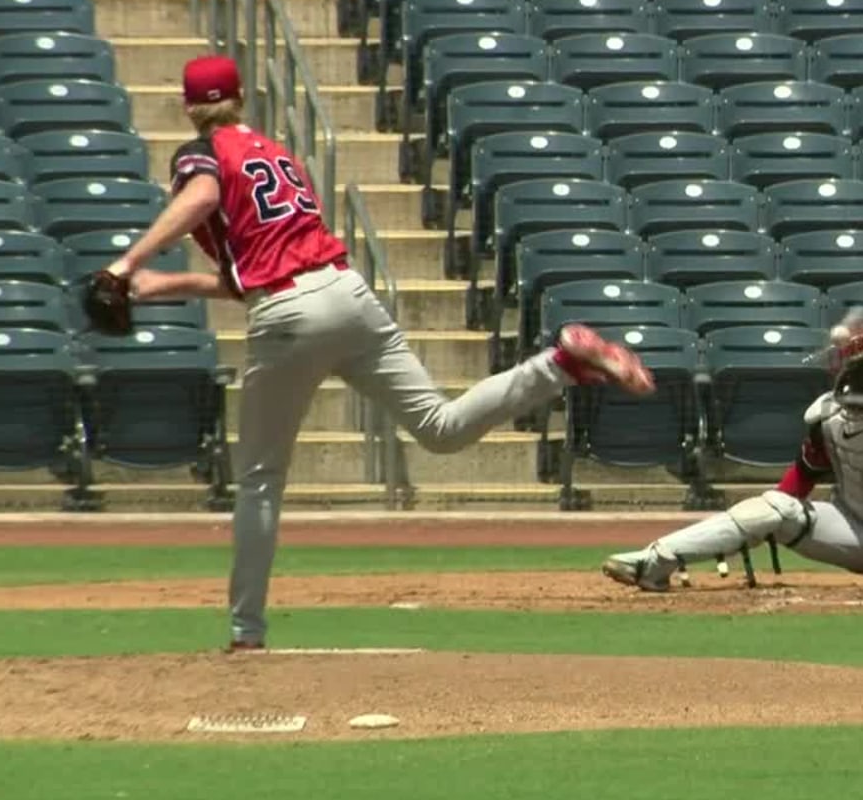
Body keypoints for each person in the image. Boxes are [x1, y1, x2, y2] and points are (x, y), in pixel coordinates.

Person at [103, 56, 658, 649]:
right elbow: (261, 270)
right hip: (346, 292)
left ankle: (246, 632)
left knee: (261, 480)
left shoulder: (202, 154)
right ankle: (560, 363)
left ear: (191, 107)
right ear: (240, 98)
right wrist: (162, 287)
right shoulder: (279, 156)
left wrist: (127, 262)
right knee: (440, 427)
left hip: (289, 311)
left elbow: (206, 197)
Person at [600, 312, 863, 593]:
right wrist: (760, 523)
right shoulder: (825, 418)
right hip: (849, 530)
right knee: (771, 506)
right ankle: (654, 561)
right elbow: (796, 485)